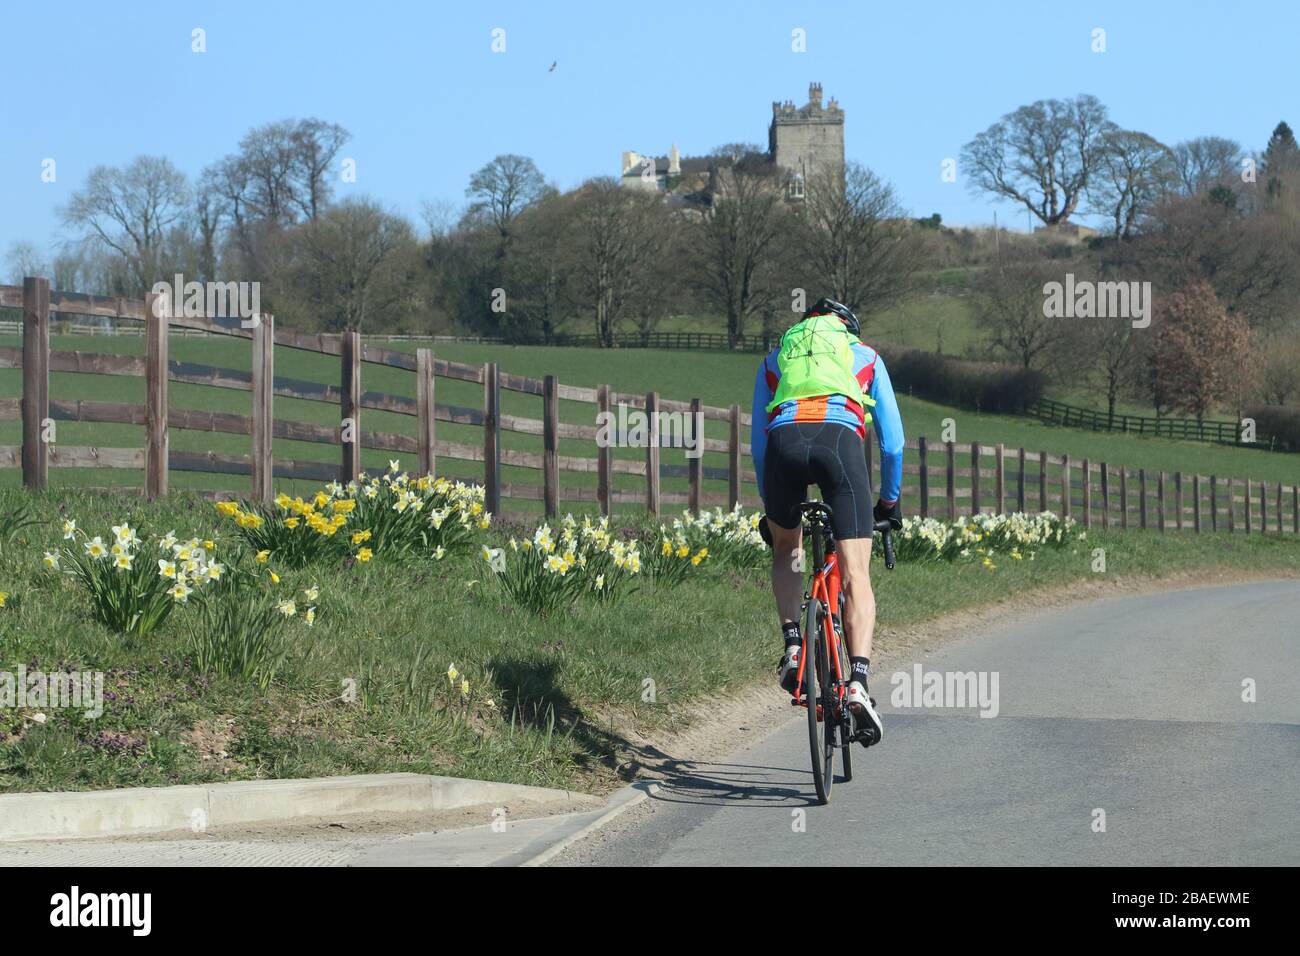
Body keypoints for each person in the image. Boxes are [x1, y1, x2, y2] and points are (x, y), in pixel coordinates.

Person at [750, 298, 904, 745]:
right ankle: (858, 681)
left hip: (784, 446)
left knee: (787, 551)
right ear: (847, 329)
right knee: (856, 572)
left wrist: (774, 511)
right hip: (839, 443)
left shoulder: (776, 358)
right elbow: (893, 445)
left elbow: (758, 449)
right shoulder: (866, 355)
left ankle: (794, 644)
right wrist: (888, 505)